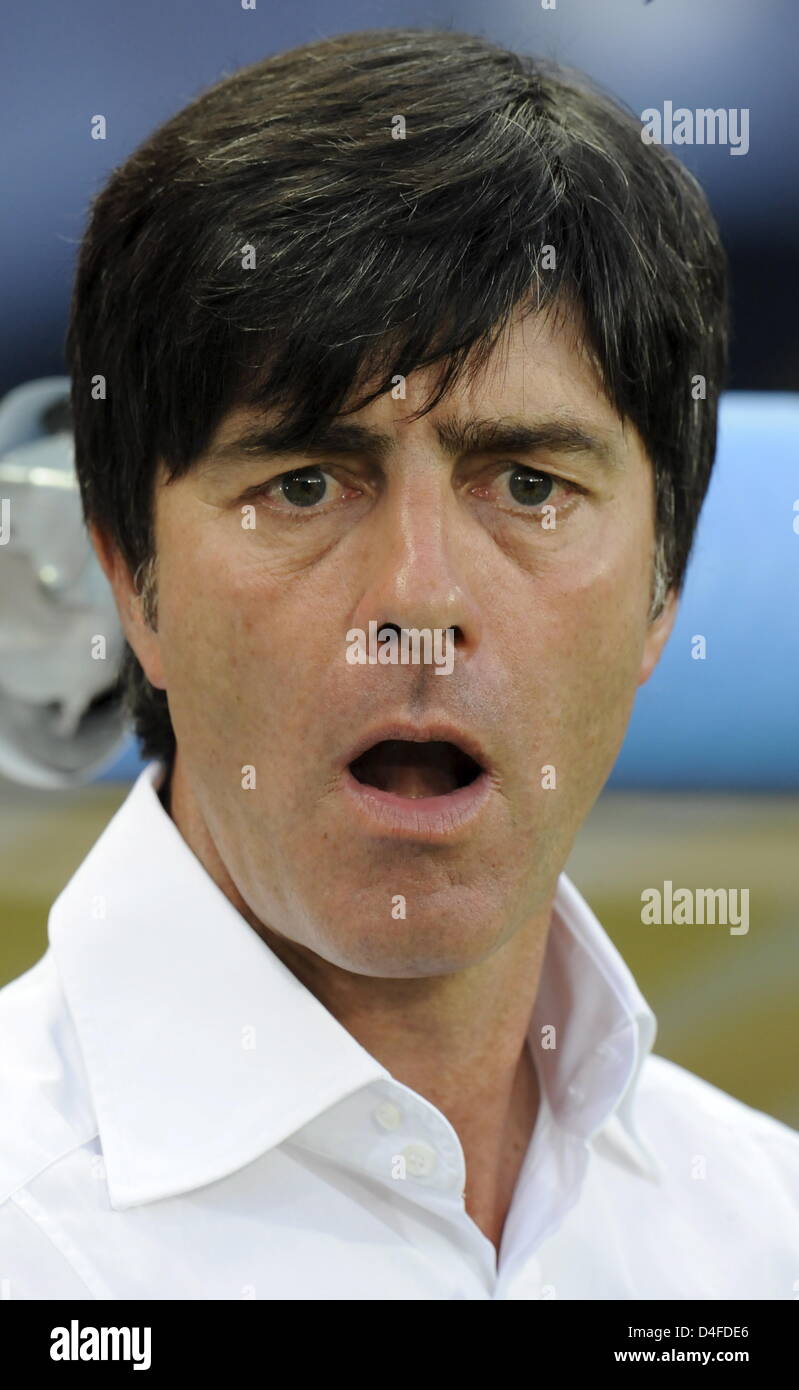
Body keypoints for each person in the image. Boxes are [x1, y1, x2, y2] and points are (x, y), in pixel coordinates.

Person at [1, 27, 796, 1301]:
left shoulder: (762, 1238)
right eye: (304, 484)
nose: (419, 599)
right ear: (126, 576)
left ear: (666, 589)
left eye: (528, 484)